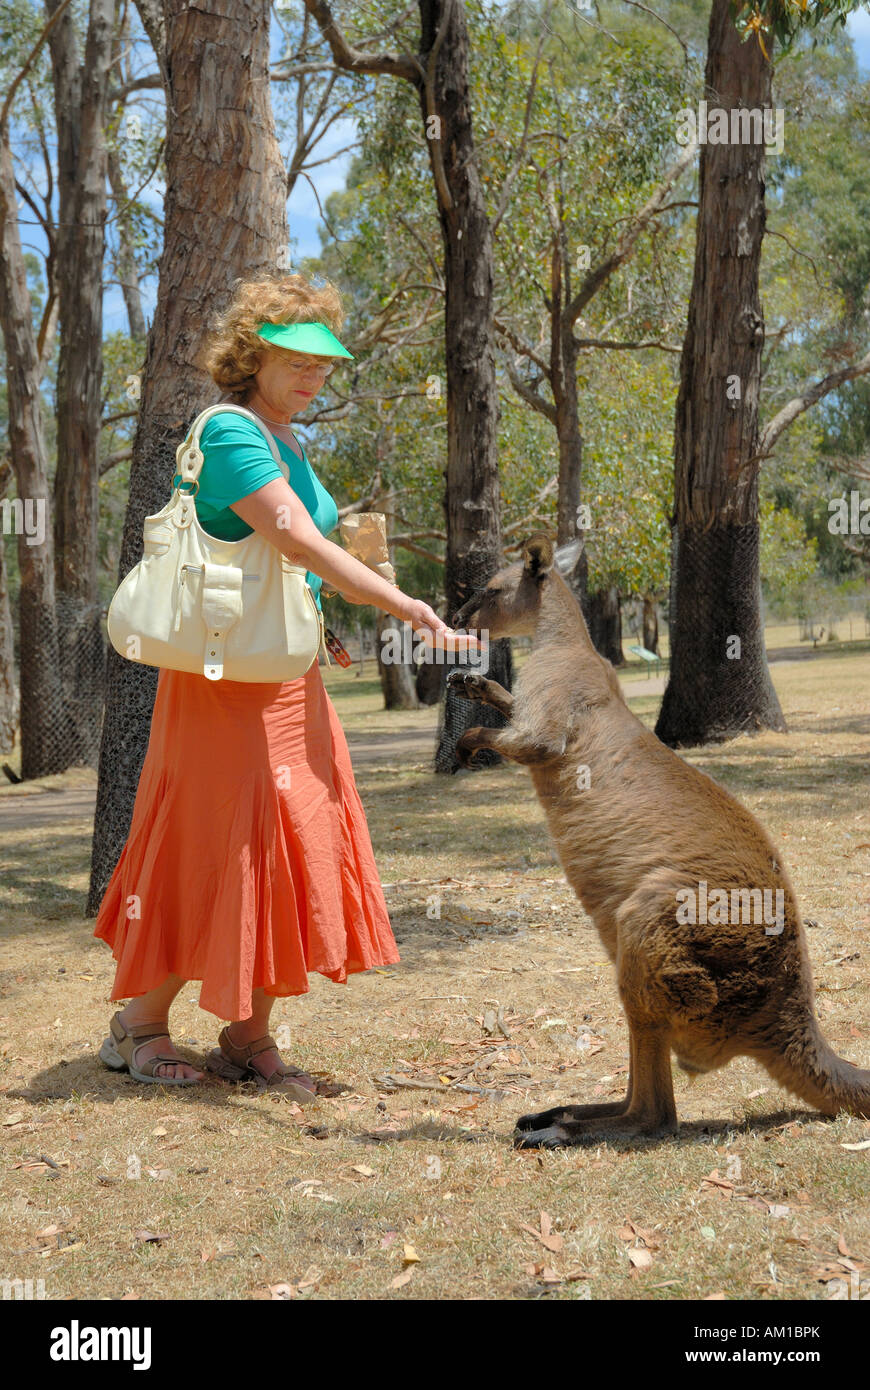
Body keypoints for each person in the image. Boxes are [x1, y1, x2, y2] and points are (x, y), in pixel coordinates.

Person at [94, 273, 466, 1098]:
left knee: (297, 840)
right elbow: (292, 534)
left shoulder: (289, 441)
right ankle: (139, 1024)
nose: (312, 377)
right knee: (216, 840)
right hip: (225, 684)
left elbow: (291, 562)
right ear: (252, 354)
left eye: (324, 366)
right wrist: (398, 601)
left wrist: (329, 618)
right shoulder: (230, 432)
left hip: (289, 679)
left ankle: (248, 1033)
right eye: (295, 360)